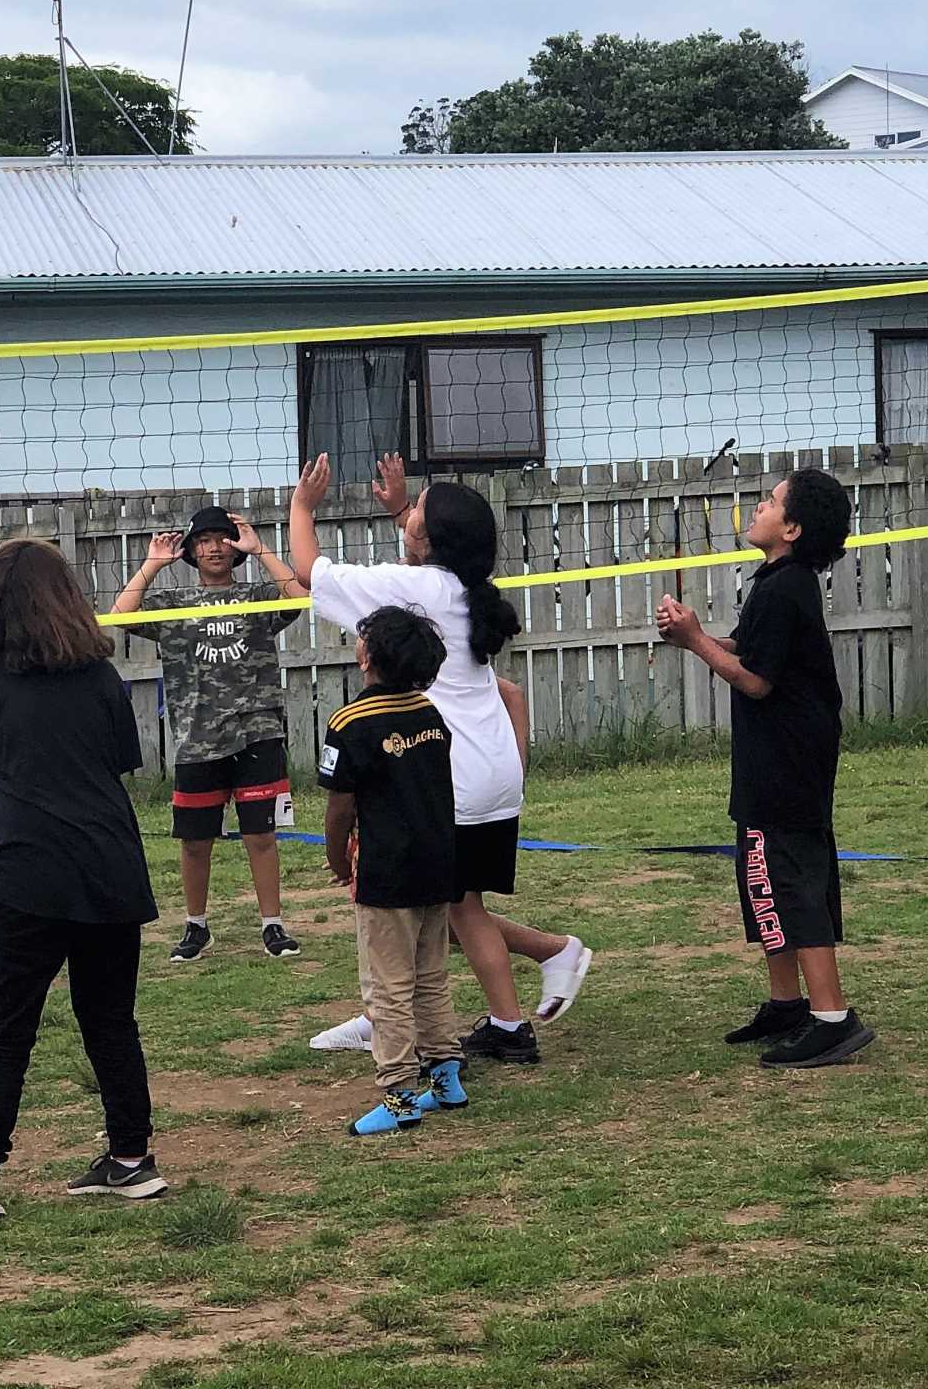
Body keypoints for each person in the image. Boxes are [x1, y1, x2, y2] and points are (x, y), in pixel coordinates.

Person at [291, 455, 591, 1065]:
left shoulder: (420, 589)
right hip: (489, 771)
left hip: (443, 773)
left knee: (420, 904)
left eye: (422, 507)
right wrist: (405, 513)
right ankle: (499, 1013)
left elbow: (307, 570)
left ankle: (409, 1015)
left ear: (430, 537)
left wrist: (302, 506)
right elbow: (431, 568)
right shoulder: (465, 587)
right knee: (452, 904)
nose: (414, 507)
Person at [0, 540, 164, 1224]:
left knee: (5, 1030)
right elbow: (112, 774)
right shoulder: (102, 680)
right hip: (112, 868)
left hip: (31, 874)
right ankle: (132, 1158)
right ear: (67, 599)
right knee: (110, 1018)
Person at [656, 470, 874, 1068]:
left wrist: (699, 642)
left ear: (793, 528)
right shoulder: (777, 581)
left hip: (790, 757)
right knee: (759, 874)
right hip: (772, 755)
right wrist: (693, 638)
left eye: (772, 502)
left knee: (790, 879)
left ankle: (833, 1017)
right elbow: (751, 651)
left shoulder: (788, 587)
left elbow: (756, 681)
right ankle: (787, 1003)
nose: (758, 506)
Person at [113, 505, 307, 963]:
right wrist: (152, 564)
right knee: (195, 841)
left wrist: (260, 549)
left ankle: (272, 925)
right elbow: (119, 615)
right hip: (196, 738)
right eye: (204, 540)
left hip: (257, 731)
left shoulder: (257, 597)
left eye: (223, 537)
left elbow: (298, 595)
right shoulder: (174, 605)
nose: (215, 546)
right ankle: (196, 927)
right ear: (191, 550)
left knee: (261, 835)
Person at [321, 607, 464, 1135]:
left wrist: (337, 858)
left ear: (369, 654)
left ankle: (400, 1094)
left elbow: (341, 807)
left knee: (387, 987)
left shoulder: (350, 723)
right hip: (438, 865)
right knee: (430, 977)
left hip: (386, 873)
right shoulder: (428, 712)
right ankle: (447, 1078)